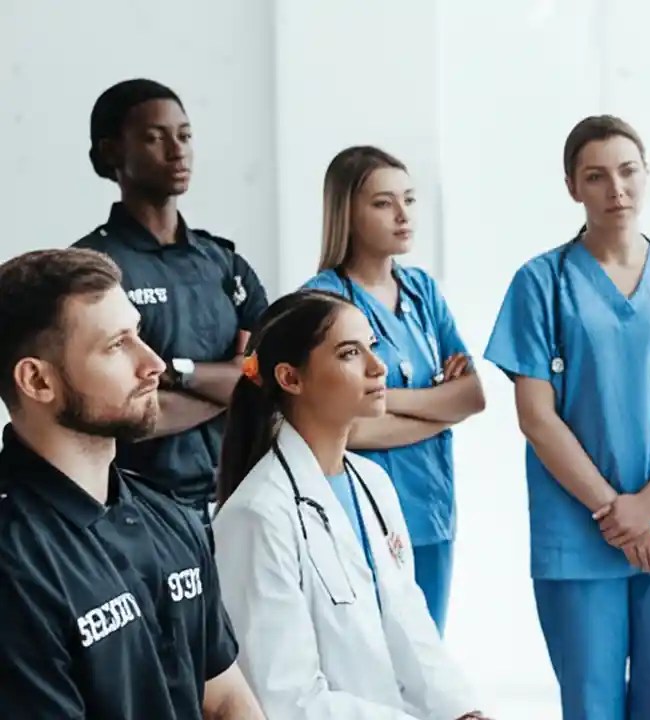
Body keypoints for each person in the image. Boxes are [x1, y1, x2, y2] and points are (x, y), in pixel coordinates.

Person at [483, 115, 650, 720]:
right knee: (591, 704)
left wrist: (646, 506)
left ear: (647, 175)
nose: (615, 189)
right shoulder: (540, 283)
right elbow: (537, 418)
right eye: (595, 176)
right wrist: (615, 512)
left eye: (627, 171)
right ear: (573, 186)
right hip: (577, 529)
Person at [0, 248, 263, 719]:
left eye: (138, 333)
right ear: (38, 380)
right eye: (116, 345)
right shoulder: (15, 563)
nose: (155, 363)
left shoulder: (172, 520)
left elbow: (224, 698)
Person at [211, 289, 489, 720]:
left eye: (372, 348)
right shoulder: (257, 515)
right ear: (291, 378)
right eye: (349, 353)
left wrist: (464, 714)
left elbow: (411, 626)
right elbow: (285, 698)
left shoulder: (372, 484)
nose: (378, 368)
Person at [301, 146, 485, 634]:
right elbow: (349, 427)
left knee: (428, 663)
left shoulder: (424, 291)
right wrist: (437, 407)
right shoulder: (323, 300)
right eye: (383, 203)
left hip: (431, 509)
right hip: (360, 516)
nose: (403, 216)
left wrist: (381, 399)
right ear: (348, 212)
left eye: (409, 199)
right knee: (374, 673)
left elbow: (473, 397)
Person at [73, 78, 270, 522]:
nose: (177, 150)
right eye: (153, 137)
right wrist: (232, 384)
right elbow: (126, 415)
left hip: (237, 500)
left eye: (184, 135)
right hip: (140, 510)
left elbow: (268, 381)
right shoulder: (91, 270)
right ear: (111, 152)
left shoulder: (223, 262)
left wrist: (178, 375)